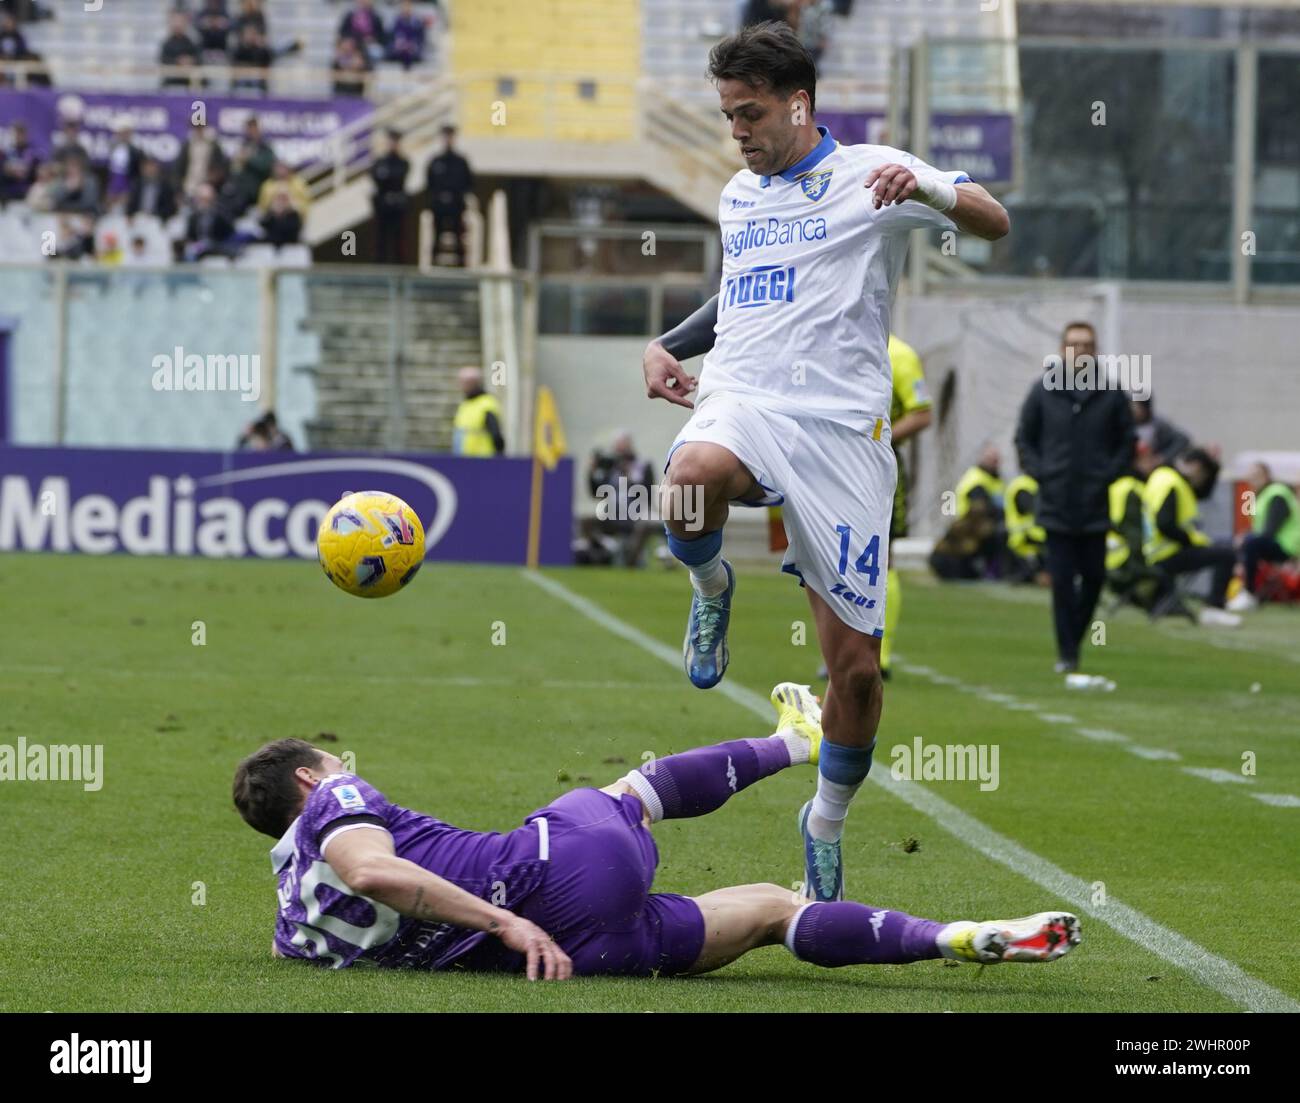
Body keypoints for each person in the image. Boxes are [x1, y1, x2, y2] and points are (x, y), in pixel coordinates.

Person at [640, 22, 1008, 903]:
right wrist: (669, 343)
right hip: (746, 401)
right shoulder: (739, 195)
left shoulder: (874, 172)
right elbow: (743, 291)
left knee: (856, 673)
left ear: (798, 103)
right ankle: (711, 589)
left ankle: (826, 821)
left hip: (843, 435)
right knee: (688, 482)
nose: (738, 131)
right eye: (729, 115)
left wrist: (930, 185)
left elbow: (995, 223)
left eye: (751, 113)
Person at [232, 685, 1079, 978]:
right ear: (308, 781)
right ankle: (799, 740)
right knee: (628, 794)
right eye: (331, 762)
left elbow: (313, 924)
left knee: (773, 911)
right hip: (552, 878)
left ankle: (954, 936)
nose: (342, 767)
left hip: (579, 954)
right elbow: (372, 871)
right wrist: (503, 918)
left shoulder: (292, 917)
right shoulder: (333, 801)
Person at [1014, 322, 1135, 673]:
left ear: (1094, 351)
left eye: (1086, 345)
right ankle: (1067, 653)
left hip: (1095, 504)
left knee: (1095, 578)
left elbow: (1126, 442)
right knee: (1062, 583)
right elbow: (1024, 437)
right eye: (1073, 344)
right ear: (1062, 349)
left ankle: (1075, 639)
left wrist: (1107, 474)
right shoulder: (1043, 391)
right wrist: (1042, 472)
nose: (1079, 350)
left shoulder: (1111, 395)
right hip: (1056, 502)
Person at [1143, 448, 1241, 626]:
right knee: (1226, 554)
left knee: (1219, 548)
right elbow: (1165, 524)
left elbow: (1203, 493)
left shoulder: (1160, 477)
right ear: (1196, 467)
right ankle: (1214, 608)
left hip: (1152, 550)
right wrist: (1189, 540)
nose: (1202, 481)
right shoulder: (1174, 483)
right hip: (1167, 553)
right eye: (1204, 475)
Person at [580, 432, 658, 568]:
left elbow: (647, 493)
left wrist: (629, 477)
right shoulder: (611, 468)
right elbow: (596, 492)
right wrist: (592, 472)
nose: (619, 449)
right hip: (612, 515)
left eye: (623, 445)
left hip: (635, 515)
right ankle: (600, 556)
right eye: (617, 446)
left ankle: (631, 561)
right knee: (586, 521)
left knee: (644, 526)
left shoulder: (642, 465)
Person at [928, 445, 1005, 581]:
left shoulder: (995, 479)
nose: (994, 463)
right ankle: (990, 571)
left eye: (996, 459)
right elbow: (981, 508)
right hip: (968, 527)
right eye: (991, 459)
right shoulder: (976, 479)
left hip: (975, 528)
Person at [1238, 462, 1299, 599]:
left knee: (1250, 544)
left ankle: (1249, 593)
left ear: (1266, 476)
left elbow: (1270, 530)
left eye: (1256, 475)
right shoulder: (1259, 495)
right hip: (1273, 542)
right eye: (1250, 476)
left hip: (1287, 546)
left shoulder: (1277, 494)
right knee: (1230, 543)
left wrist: (1246, 539)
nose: (1253, 479)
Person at [425, 124, 473, 267]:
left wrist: (456, 196)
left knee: (459, 235)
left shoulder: (461, 162)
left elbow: (468, 183)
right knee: (436, 234)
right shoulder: (435, 161)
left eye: (450, 136)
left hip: (456, 205)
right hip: (439, 205)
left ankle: (461, 265)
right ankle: (433, 263)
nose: (448, 139)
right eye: (445, 136)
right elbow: (430, 184)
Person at [370, 129, 410, 264]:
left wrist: (387, 177)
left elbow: (398, 179)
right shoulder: (380, 162)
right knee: (381, 240)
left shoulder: (403, 162)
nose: (393, 144)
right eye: (391, 140)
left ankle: (399, 268)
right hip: (382, 205)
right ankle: (380, 267)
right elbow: (376, 179)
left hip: (398, 206)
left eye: (395, 141)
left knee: (399, 241)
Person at [1131, 392, 1190, 478]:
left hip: (1156, 469)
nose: (1134, 410)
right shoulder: (1128, 425)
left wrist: (1162, 458)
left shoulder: (1159, 424)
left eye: (1137, 407)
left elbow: (1182, 440)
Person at [1004, 471, 1047, 582]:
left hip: (1030, 537)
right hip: (1027, 537)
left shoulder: (1027, 483)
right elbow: (1029, 508)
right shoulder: (1025, 485)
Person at [450, 366, 504, 456]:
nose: (461, 386)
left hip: (482, 459)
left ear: (472, 383)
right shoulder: (466, 404)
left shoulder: (487, 404)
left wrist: (499, 458)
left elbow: (496, 435)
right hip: (464, 458)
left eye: (463, 383)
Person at [127, 156, 178, 221]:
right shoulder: (137, 184)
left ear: (158, 168)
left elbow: (170, 207)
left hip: (157, 219)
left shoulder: (166, 187)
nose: (150, 170)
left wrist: (159, 217)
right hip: (138, 217)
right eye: (147, 167)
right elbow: (131, 205)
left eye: (152, 167)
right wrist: (130, 215)